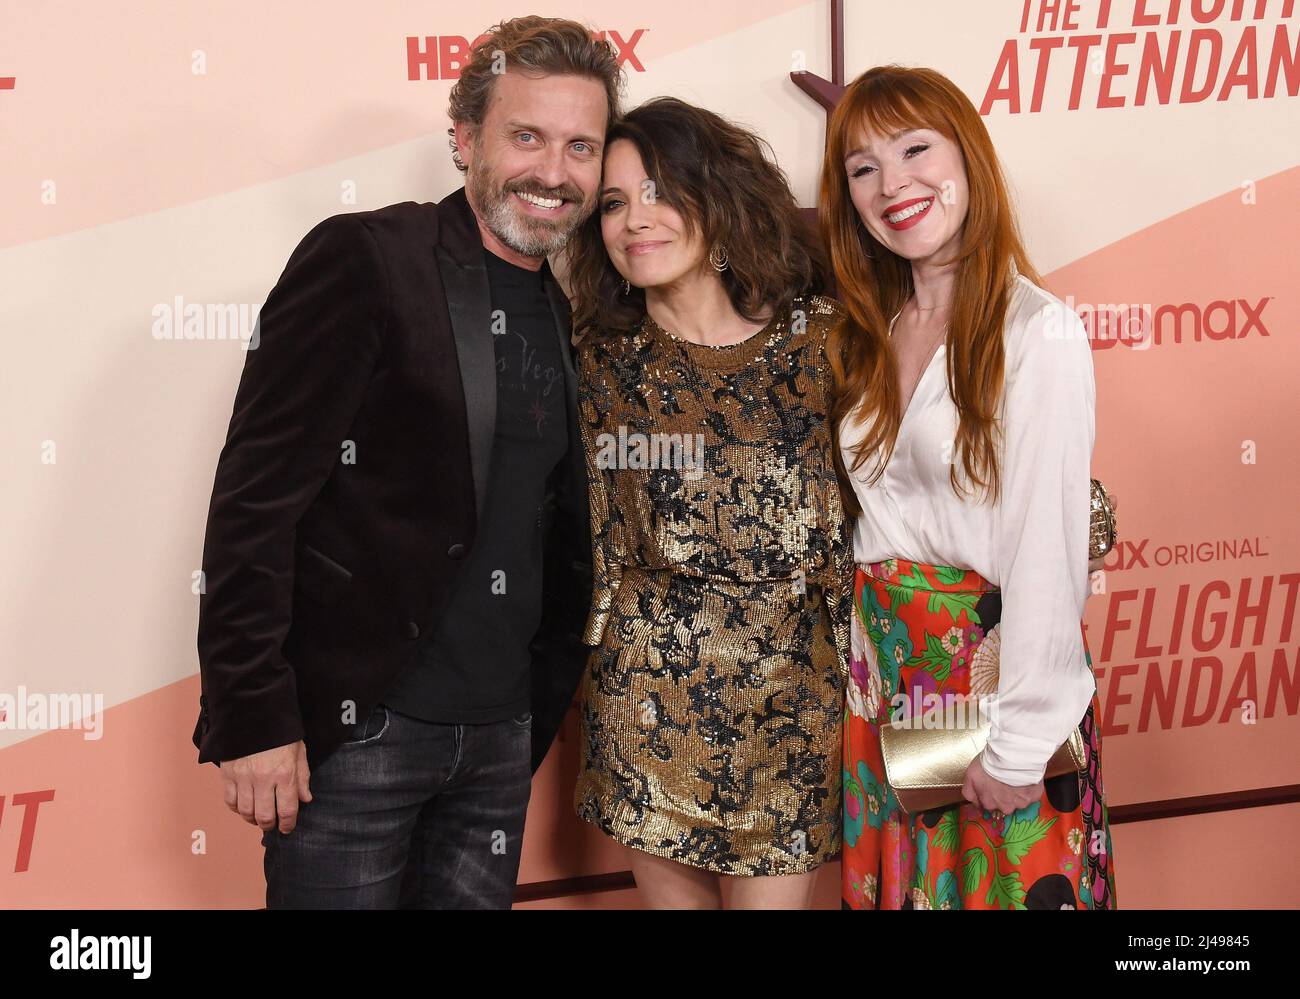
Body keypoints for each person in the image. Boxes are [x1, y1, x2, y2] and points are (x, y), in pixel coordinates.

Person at [192, 16, 623, 909]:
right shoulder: (366, 260)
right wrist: (254, 717)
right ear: (464, 139)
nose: (555, 170)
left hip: (499, 745)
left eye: (582, 145)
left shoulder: (572, 307)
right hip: (357, 741)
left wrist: (529, 720)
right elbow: (253, 503)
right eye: (528, 136)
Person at [820, 65, 1117, 909]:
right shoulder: (874, 328)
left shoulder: (1037, 330)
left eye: (915, 148)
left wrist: (1021, 744)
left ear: (968, 159)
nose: (892, 183)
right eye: (863, 167)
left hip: (988, 691)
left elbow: (1045, 543)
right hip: (888, 682)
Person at [562, 97, 852, 909]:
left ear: (716, 200)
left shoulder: (822, 340)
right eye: (614, 202)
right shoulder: (597, 366)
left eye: (658, 192)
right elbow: (569, 532)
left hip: (796, 708)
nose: (633, 220)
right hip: (648, 709)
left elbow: (922, 473)